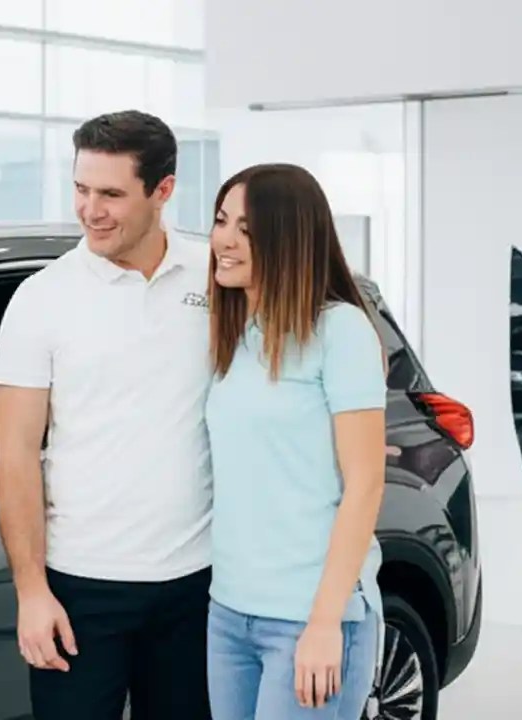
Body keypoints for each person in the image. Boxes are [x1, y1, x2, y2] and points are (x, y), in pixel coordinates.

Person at [0, 110, 214, 719]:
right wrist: (31, 591)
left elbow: (304, 322)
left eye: (111, 194)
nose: (91, 210)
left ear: (162, 191)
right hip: (80, 588)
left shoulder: (215, 277)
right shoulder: (41, 298)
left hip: (199, 583)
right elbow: (14, 456)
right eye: (81, 189)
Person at [204, 162, 386, 719]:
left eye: (247, 229)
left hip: (310, 615)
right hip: (230, 612)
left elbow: (365, 483)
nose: (224, 241)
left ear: (288, 239)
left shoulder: (342, 331)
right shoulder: (235, 333)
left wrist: (326, 622)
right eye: (220, 220)